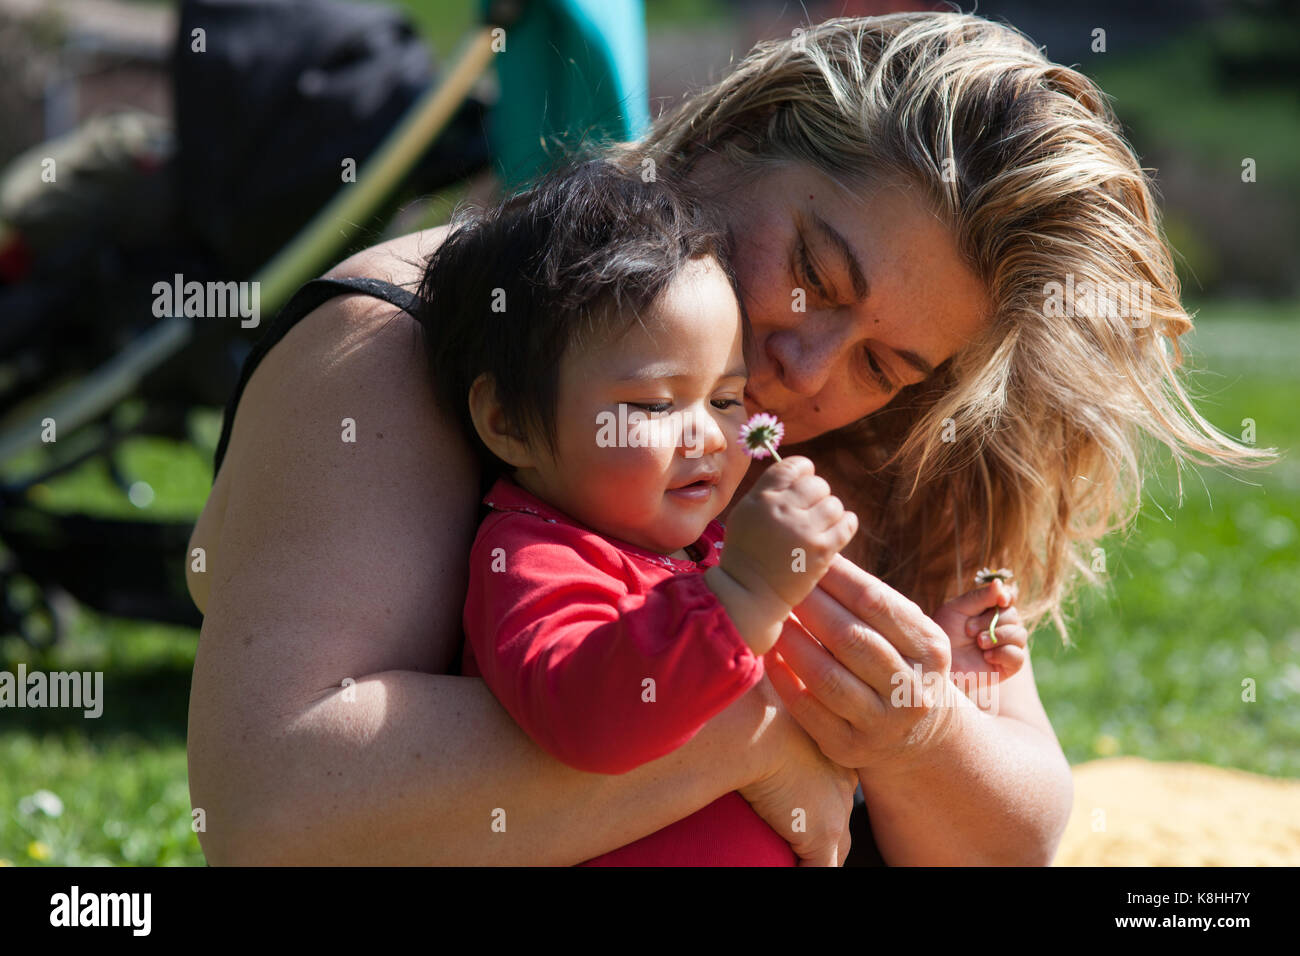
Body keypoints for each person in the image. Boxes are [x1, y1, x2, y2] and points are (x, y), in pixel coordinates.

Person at [185, 13, 1264, 865]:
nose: (808, 369)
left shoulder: (900, 434)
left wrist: (911, 731)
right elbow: (278, 807)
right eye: (813, 271)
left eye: (884, 362)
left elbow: (1010, 834)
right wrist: (766, 720)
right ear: (723, 140)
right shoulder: (398, 345)